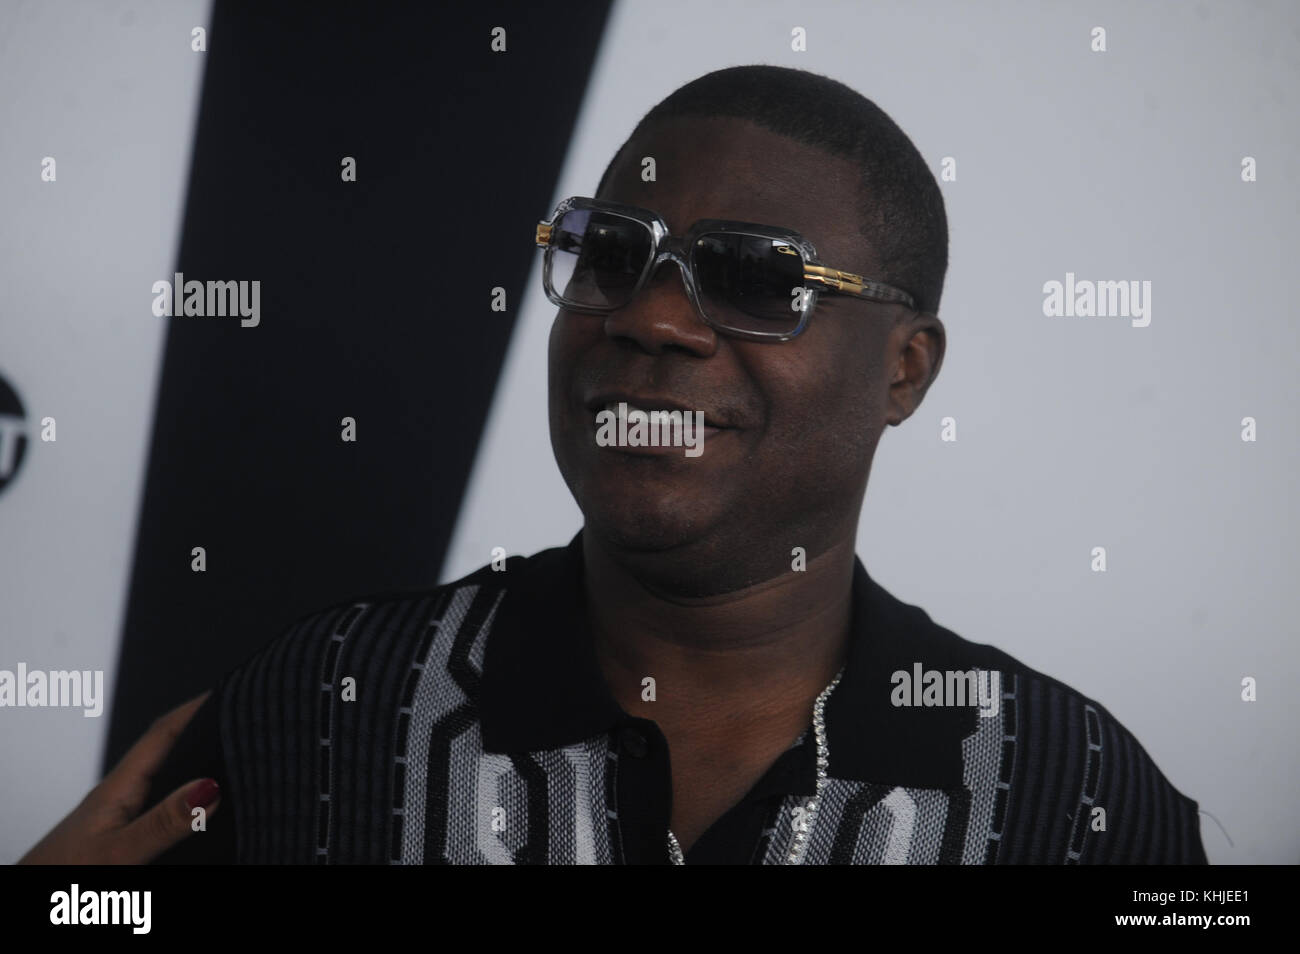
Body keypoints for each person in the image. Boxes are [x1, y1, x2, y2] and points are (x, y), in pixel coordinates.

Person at [21, 65, 1207, 865]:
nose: (651, 319)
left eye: (752, 278)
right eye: (609, 255)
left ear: (904, 370)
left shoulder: (1076, 796)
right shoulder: (329, 707)